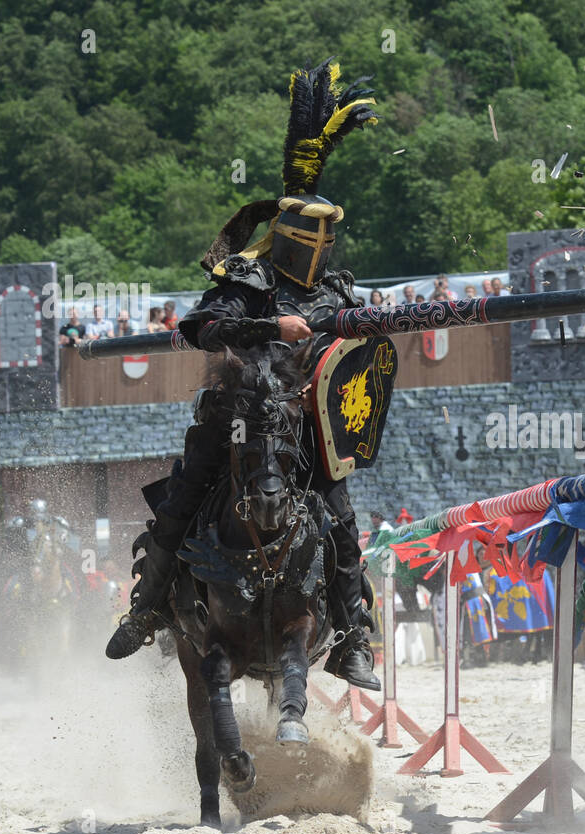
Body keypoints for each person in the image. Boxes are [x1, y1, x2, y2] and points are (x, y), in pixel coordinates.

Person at [106, 56, 382, 691]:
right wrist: (269, 329)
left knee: (341, 525)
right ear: (287, 234)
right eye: (309, 235)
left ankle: (351, 638)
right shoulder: (248, 282)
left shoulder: (337, 294)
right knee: (178, 505)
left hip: (306, 432)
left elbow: (356, 366)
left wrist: (367, 331)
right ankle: (148, 609)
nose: (319, 248)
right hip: (235, 421)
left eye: (326, 236)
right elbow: (198, 329)